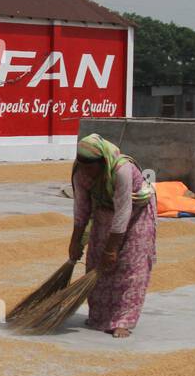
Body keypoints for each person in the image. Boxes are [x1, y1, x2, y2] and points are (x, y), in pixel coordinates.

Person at [67, 133, 157, 339]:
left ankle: (122, 321)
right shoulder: (80, 173)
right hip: (104, 213)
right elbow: (81, 208)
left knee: (128, 266)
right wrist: (75, 241)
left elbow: (123, 211)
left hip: (135, 214)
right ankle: (99, 317)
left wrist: (112, 249)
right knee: (96, 262)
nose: (87, 172)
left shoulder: (121, 170)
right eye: (83, 167)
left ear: (103, 161)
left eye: (91, 168)